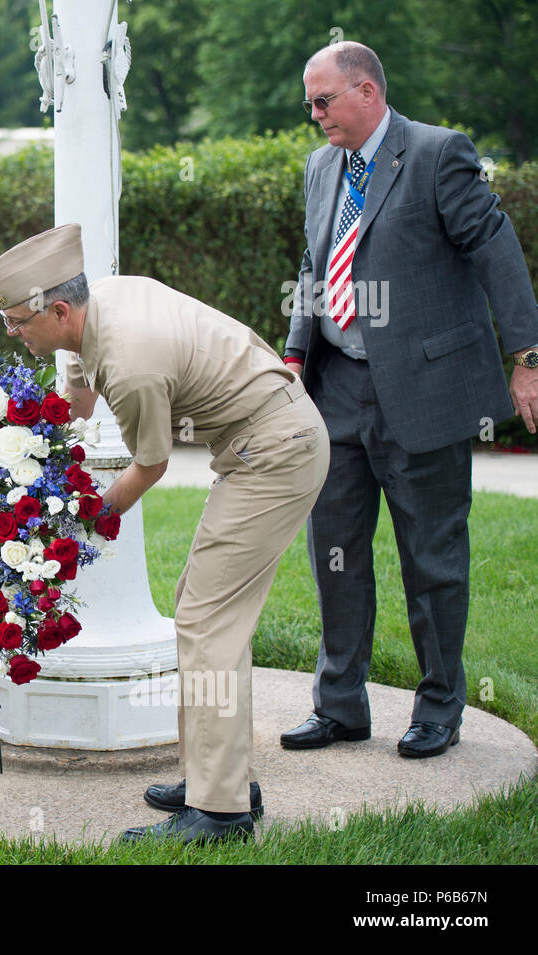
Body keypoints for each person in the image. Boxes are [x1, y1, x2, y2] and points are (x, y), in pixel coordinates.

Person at [0, 223, 329, 843]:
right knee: (202, 611)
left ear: (58, 308)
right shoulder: (101, 301)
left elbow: (149, 467)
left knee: (208, 621)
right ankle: (217, 777)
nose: (13, 334)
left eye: (18, 322)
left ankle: (221, 813)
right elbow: (77, 397)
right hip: (264, 441)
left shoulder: (130, 361)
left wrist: (75, 531)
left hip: (274, 452)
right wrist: (24, 445)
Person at [281, 42, 538, 759]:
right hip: (337, 391)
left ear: (366, 91)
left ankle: (439, 708)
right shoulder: (320, 165)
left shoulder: (437, 154)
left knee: (432, 558)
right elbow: (313, 260)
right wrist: (297, 353)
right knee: (334, 549)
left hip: (424, 394)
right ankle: (339, 705)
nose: (314, 113)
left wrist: (529, 358)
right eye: (310, 101)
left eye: (324, 100)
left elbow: (494, 245)